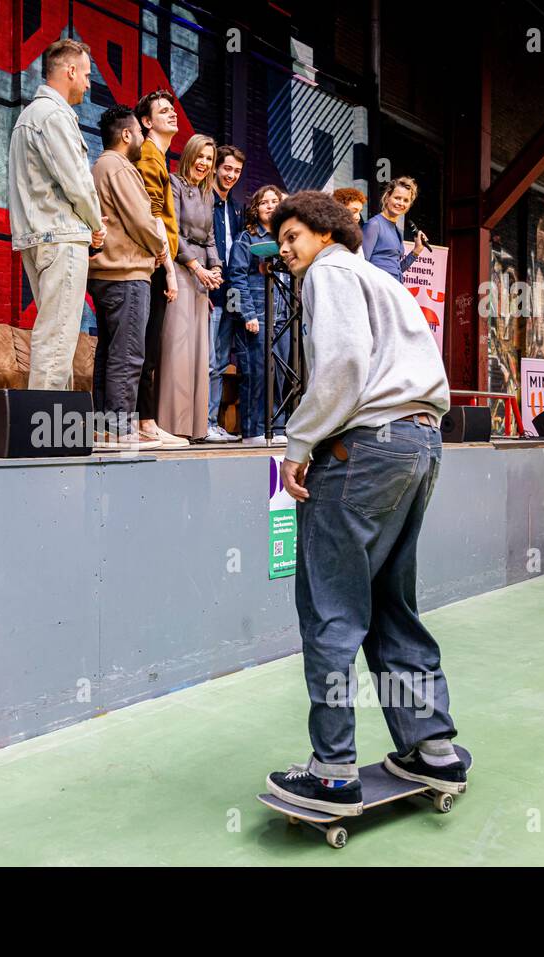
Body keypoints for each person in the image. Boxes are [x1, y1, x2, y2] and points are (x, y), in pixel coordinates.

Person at [263, 191, 464, 817]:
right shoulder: (383, 279)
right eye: (281, 239)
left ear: (326, 233)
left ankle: (332, 771)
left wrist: (298, 445)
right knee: (390, 604)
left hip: (364, 452)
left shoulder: (331, 271)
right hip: (420, 445)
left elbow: (344, 364)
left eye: (293, 234)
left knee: (331, 608)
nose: (285, 248)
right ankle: (432, 749)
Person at [9, 38, 106, 390]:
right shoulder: (53, 115)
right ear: (69, 70)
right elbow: (77, 182)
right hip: (61, 235)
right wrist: (97, 224)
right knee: (57, 337)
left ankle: (54, 432)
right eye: (86, 74)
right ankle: (44, 436)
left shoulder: (30, 117)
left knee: (58, 333)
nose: (88, 82)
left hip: (41, 234)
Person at [86, 105, 168, 452]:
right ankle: (119, 427)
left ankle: (106, 427)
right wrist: (161, 247)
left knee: (109, 352)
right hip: (126, 274)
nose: (143, 139)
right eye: (140, 132)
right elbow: (142, 219)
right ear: (127, 135)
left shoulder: (101, 166)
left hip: (108, 274)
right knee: (129, 353)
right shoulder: (118, 166)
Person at [158, 134, 222, 442]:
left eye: (209, 159)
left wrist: (216, 270)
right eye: (201, 156)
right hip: (181, 270)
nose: (204, 163)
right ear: (189, 155)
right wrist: (197, 268)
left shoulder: (207, 194)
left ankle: (196, 427)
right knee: (178, 348)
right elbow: (173, 235)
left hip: (202, 278)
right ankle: (172, 425)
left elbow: (209, 239)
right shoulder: (174, 184)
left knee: (199, 351)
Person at [133, 89, 188, 449]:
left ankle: (145, 422)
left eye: (173, 110)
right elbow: (153, 217)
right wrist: (169, 269)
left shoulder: (159, 159)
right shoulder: (149, 158)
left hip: (154, 261)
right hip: (151, 264)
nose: (172, 115)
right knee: (146, 348)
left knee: (148, 347)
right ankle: (146, 423)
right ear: (146, 122)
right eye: (163, 111)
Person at [227, 185, 289, 448]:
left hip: (284, 317)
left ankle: (277, 426)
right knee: (256, 373)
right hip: (257, 316)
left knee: (281, 375)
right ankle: (253, 430)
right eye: (265, 202)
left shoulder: (286, 241)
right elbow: (236, 278)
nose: (271, 205)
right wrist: (247, 314)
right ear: (256, 208)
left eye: (275, 201)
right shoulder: (246, 239)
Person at [207, 145, 246, 442]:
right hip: (208, 291)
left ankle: (212, 422)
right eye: (227, 168)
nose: (231, 175)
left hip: (231, 294)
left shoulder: (235, 208)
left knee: (221, 362)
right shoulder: (204, 200)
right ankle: (204, 422)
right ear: (216, 168)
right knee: (208, 362)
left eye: (237, 171)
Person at [361, 176, 426, 283]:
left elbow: (397, 271)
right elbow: (362, 264)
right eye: (397, 198)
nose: (401, 203)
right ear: (387, 198)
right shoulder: (374, 225)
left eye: (406, 200)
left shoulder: (397, 231)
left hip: (393, 290)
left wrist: (416, 251)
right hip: (378, 291)